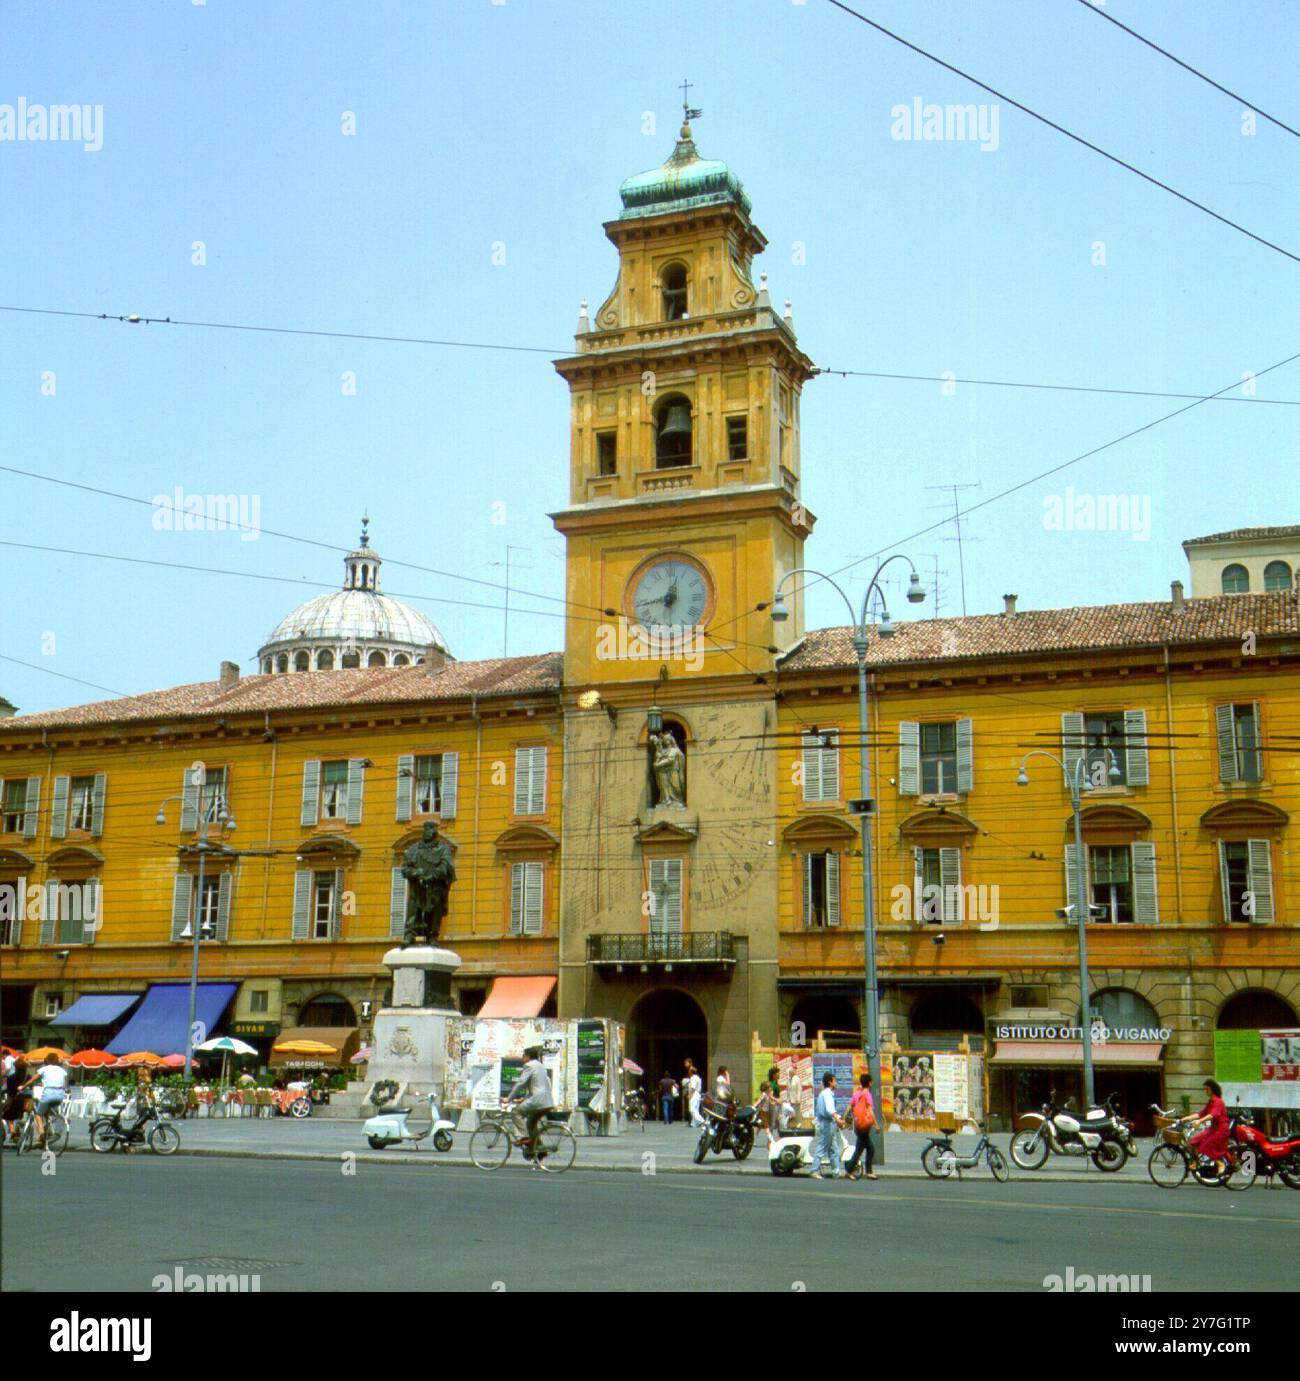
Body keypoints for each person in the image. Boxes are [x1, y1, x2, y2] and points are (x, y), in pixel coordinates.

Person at [505, 1046, 554, 1170]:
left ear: (527, 1056)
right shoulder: (540, 1065)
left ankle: (524, 1138)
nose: (522, 1058)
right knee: (531, 1123)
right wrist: (523, 1099)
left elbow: (520, 1083)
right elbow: (538, 1086)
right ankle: (539, 1149)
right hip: (546, 1101)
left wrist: (508, 1099)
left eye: (523, 1056)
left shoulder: (529, 1065)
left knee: (516, 1112)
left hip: (538, 1101)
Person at [22, 1055, 70, 1144]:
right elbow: (63, 1083)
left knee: (38, 1114)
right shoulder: (62, 1070)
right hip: (60, 1095)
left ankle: (41, 1134)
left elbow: (33, 1079)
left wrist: (23, 1086)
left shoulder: (44, 1069)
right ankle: (51, 1128)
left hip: (48, 1094)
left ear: (46, 1061)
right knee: (50, 1111)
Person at [1189, 1077, 1230, 1176]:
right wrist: (1183, 1119)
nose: (1205, 1091)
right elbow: (1201, 1113)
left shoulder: (1218, 1101)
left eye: (1206, 1089)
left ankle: (1220, 1164)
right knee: (1193, 1141)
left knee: (1206, 1146)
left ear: (1212, 1089)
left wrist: (1199, 1121)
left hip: (1221, 1129)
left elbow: (1213, 1114)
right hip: (1213, 1128)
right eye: (1204, 1089)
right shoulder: (1211, 1101)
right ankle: (1196, 1162)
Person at [808, 1072, 845, 1180]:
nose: (836, 1083)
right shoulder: (828, 1093)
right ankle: (814, 1170)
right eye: (835, 1081)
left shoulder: (823, 1093)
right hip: (827, 1124)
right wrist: (838, 1119)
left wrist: (837, 1118)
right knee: (823, 1147)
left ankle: (836, 1171)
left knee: (834, 1149)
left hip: (828, 1123)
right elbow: (829, 1110)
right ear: (830, 1082)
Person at [845, 1073, 878, 1181]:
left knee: (870, 1149)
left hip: (858, 1125)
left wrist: (844, 1117)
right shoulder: (867, 1094)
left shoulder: (857, 1093)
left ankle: (868, 1171)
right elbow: (870, 1110)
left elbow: (850, 1105)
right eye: (871, 1081)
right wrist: (876, 1124)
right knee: (860, 1150)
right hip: (864, 1126)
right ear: (869, 1083)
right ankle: (850, 1170)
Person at [3, 1056, 29, 1143]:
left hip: (15, 1100)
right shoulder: (29, 1077)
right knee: (21, 1115)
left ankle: (13, 1132)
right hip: (27, 1102)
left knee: (8, 1116)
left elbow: (10, 1092)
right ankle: (19, 1127)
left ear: (15, 1067)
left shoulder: (10, 1078)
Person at [684, 1059, 704, 1128]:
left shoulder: (693, 1078)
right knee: (696, 1109)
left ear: (691, 1072)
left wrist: (690, 1095)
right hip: (698, 1094)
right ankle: (694, 1123)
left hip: (694, 1094)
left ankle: (702, 1121)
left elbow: (693, 1088)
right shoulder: (698, 1078)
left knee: (692, 1109)